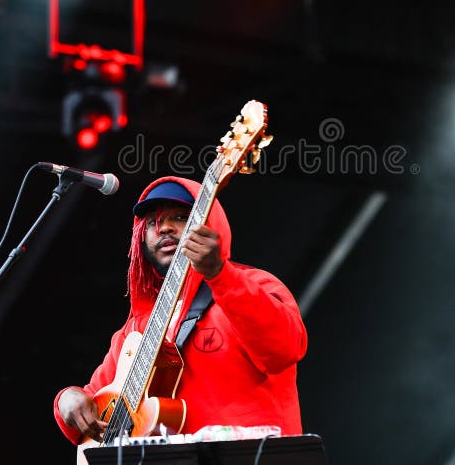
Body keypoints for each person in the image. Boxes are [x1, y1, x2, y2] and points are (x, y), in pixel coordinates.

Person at [54, 176, 308, 445]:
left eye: (179, 217)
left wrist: (221, 275)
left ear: (207, 224)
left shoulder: (255, 284)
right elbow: (95, 399)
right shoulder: (139, 326)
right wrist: (67, 400)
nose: (164, 228)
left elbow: (284, 350)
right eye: (152, 222)